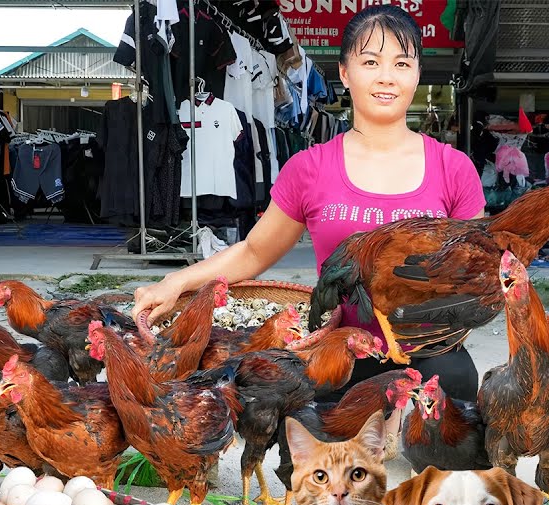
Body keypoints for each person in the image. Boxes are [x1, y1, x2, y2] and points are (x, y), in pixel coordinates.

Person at [131, 4, 486, 401]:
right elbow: (254, 251)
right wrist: (176, 281)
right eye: (371, 61)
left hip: (428, 356)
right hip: (334, 355)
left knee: (456, 381)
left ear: (417, 73)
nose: (387, 77)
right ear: (345, 73)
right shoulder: (309, 167)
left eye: (402, 63)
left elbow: (477, 272)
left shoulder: (453, 168)